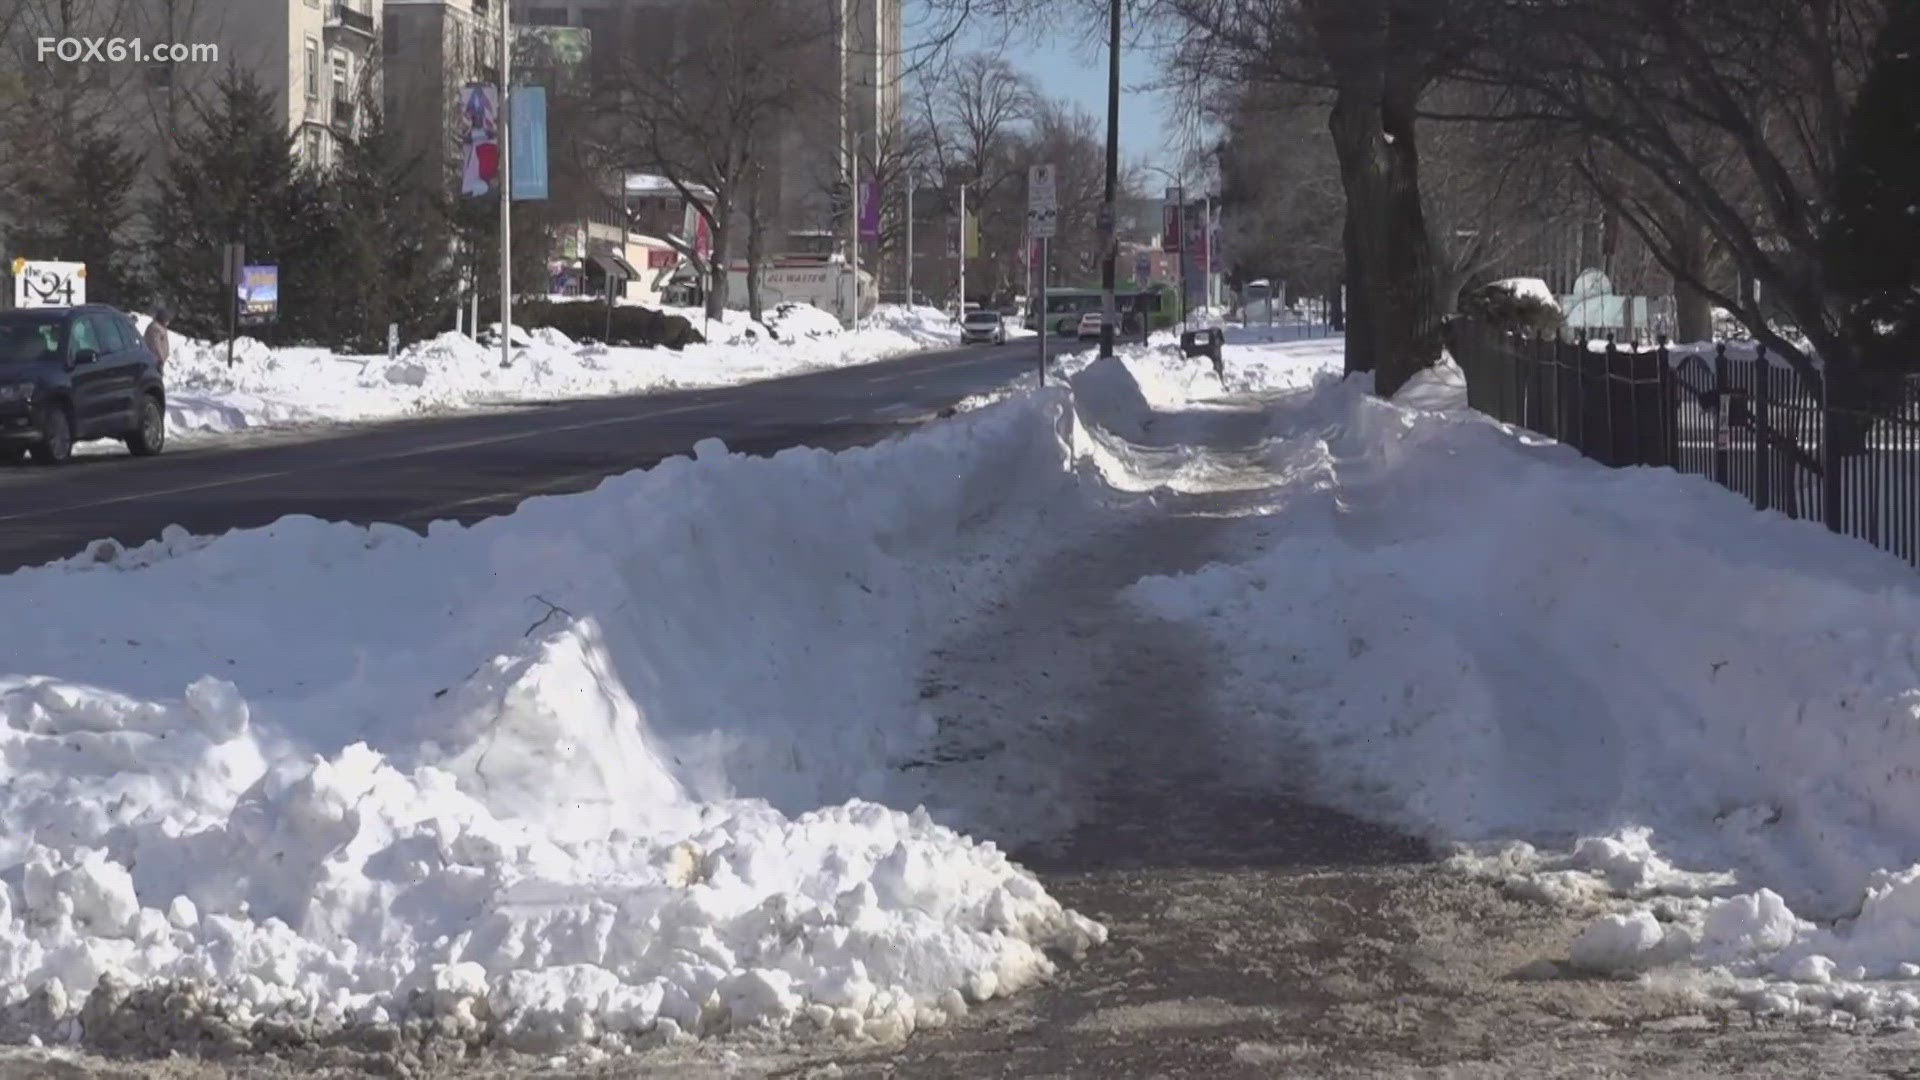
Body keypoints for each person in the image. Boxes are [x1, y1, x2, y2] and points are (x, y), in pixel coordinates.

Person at [144, 306, 171, 373]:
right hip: (155, 359)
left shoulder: (161, 328)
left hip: (157, 359)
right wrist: (161, 358)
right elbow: (156, 345)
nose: (168, 322)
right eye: (167, 320)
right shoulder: (156, 329)